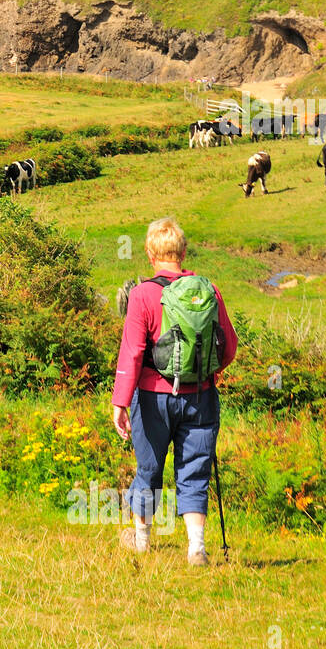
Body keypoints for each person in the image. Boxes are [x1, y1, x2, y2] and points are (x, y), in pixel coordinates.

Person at [112, 217, 238, 566]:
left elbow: (133, 352)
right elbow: (228, 347)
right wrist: (203, 376)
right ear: (182, 252)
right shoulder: (209, 291)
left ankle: (140, 541)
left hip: (152, 398)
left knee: (149, 468)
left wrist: (120, 402)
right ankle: (196, 547)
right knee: (195, 469)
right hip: (201, 396)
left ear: (151, 255)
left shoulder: (141, 295)